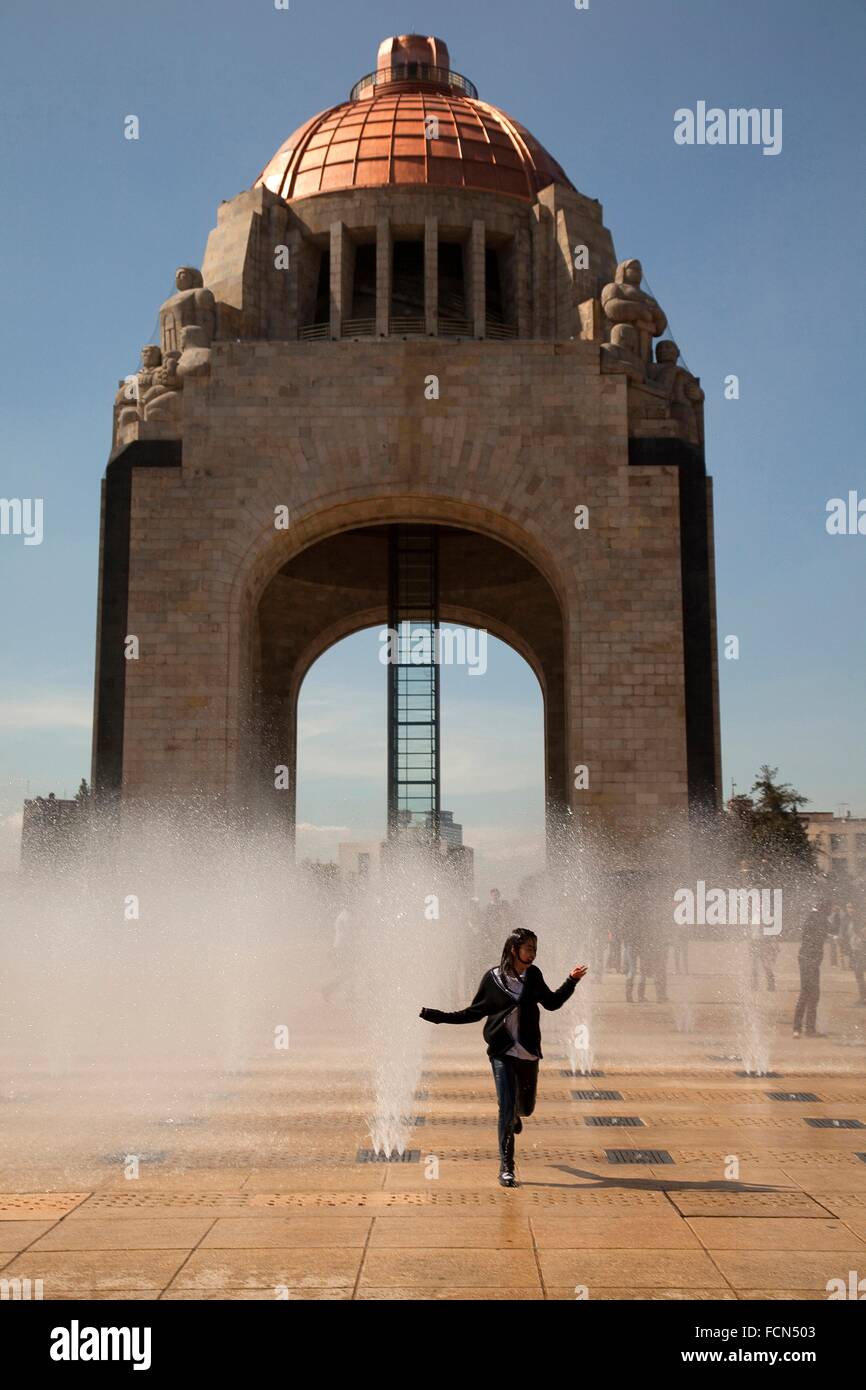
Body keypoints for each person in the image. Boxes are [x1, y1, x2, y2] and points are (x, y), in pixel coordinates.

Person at [419, 928, 587, 1187]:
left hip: (528, 1052)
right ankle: (507, 1167)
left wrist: (571, 981)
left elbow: (552, 1003)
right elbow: (473, 1012)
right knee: (506, 1108)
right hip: (501, 1052)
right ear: (514, 949)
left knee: (525, 1109)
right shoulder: (493, 978)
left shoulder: (534, 975)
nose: (533, 952)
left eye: (534, 948)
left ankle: (516, 1116)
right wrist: (439, 1016)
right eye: (528, 948)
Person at [792, 900, 836, 1037]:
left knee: (805, 992)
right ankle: (809, 1029)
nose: (831, 912)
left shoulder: (811, 917)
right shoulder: (821, 918)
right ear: (825, 908)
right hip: (811, 959)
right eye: (830, 909)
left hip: (804, 957)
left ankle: (797, 1029)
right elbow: (831, 928)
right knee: (813, 993)